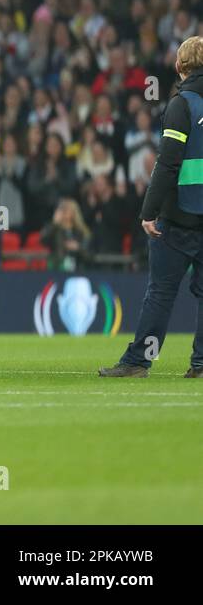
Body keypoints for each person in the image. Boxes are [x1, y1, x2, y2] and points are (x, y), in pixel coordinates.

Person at [101, 37, 203, 378]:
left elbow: (168, 163)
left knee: (160, 293)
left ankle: (139, 361)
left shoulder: (181, 104)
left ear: (179, 67)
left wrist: (149, 211)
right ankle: (200, 364)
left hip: (177, 217)